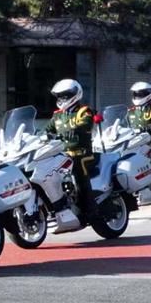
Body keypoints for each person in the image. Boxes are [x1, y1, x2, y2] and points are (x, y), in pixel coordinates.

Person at [47, 79, 98, 207]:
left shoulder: (84, 111)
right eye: (59, 96)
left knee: (79, 175)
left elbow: (86, 124)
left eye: (65, 96)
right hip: (63, 155)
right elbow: (47, 130)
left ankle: (90, 210)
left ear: (74, 95)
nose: (61, 99)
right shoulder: (58, 116)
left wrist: (75, 129)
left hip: (82, 155)